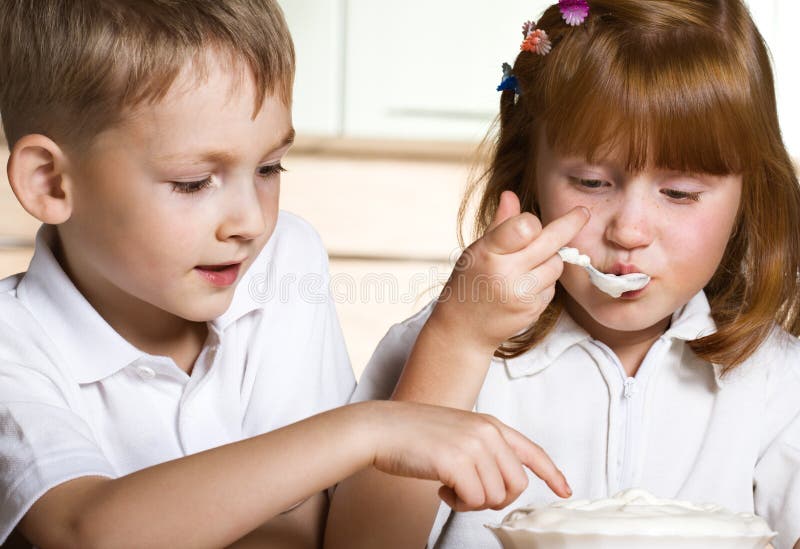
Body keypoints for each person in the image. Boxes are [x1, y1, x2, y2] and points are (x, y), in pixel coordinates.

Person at [0, 1, 574, 547]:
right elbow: (84, 530)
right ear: (50, 182)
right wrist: (369, 431)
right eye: (194, 182)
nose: (250, 221)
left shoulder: (283, 260)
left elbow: (297, 531)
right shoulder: (14, 343)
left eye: (270, 167)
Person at [326, 1, 800, 548]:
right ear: (527, 172)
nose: (630, 230)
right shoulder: (442, 350)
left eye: (679, 193)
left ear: (749, 196)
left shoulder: (776, 384)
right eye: (591, 182)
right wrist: (457, 341)